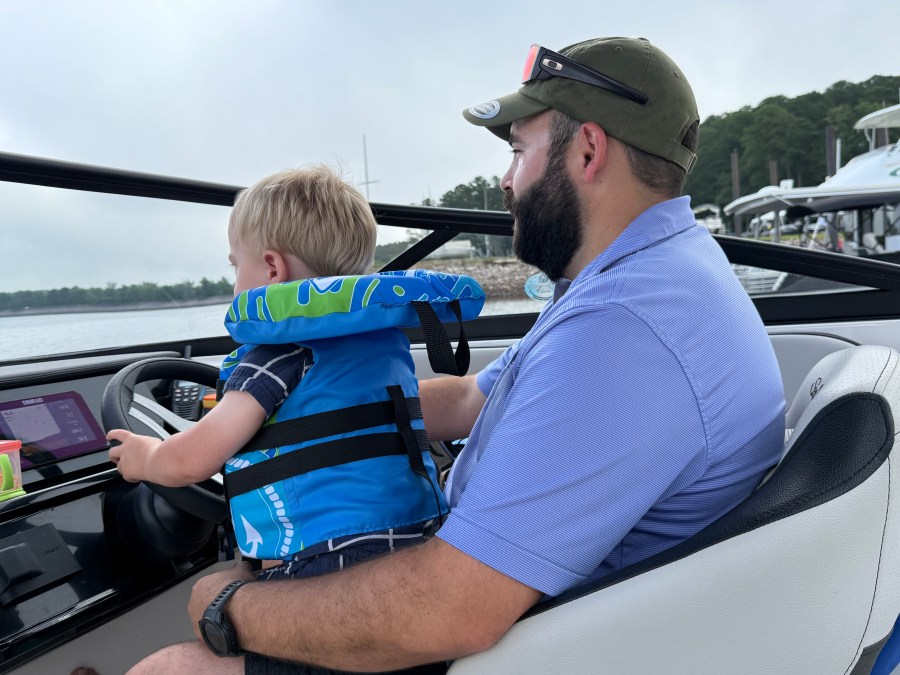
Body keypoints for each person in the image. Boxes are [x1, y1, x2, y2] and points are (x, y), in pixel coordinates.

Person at [128, 37, 785, 674]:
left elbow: (448, 610)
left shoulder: (626, 330)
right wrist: (323, 414)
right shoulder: (645, 279)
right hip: (541, 610)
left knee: (168, 666)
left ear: (587, 150)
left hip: (506, 640)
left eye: (519, 150)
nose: (505, 181)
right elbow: (474, 397)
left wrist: (227, 606)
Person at [108, 167, 461, 670]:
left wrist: (148, 458)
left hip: (327, 570)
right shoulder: (381, 342)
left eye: (236, 266)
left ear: (271, 269)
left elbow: (194, 458)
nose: (235, 280)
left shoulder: (275, 352)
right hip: (413, 544)